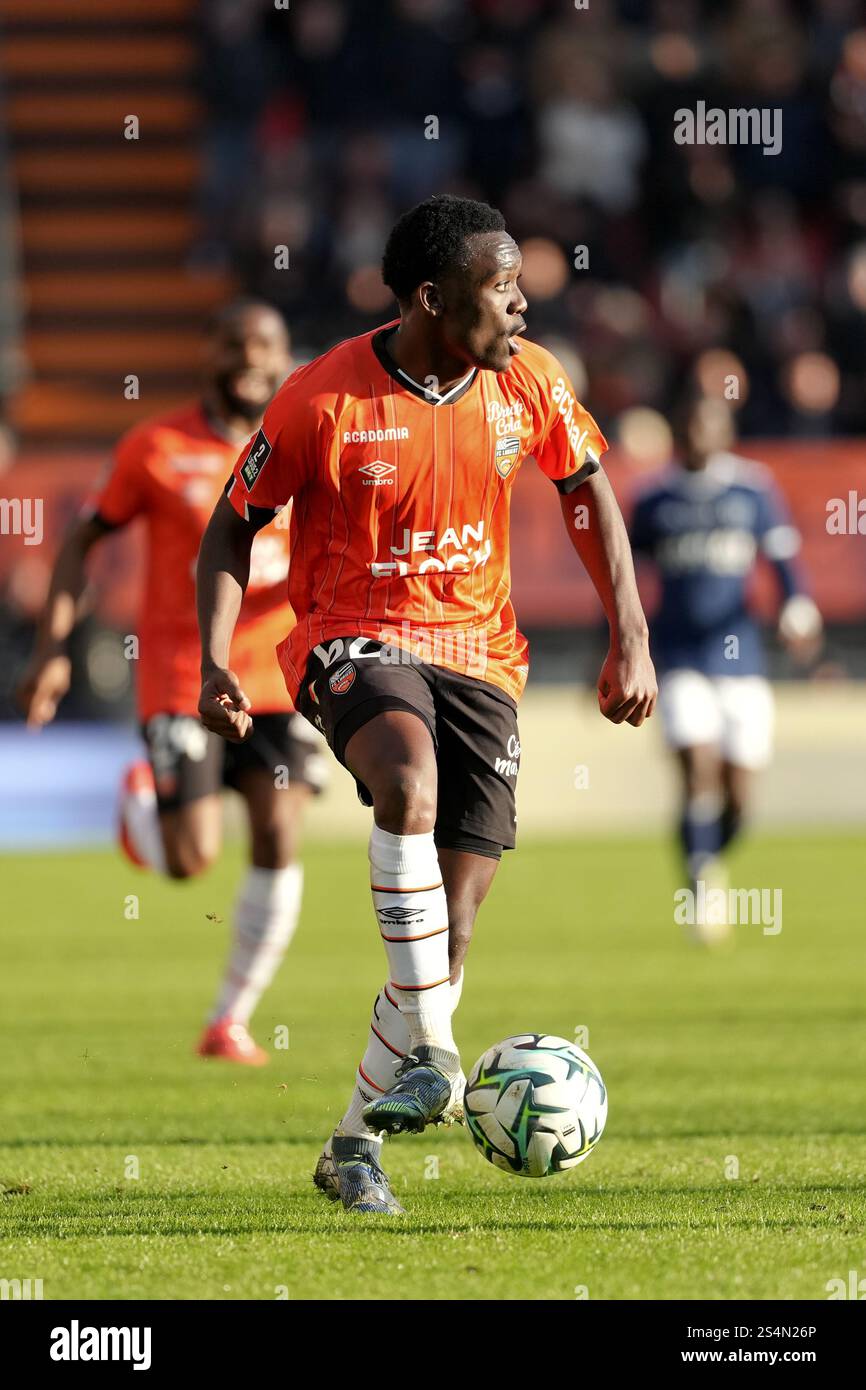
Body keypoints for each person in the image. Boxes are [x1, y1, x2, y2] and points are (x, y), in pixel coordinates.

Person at [196, 195, 656, 1214]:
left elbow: (585, 490)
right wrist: (213, 658)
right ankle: (439, 1052)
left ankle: (350, 1147)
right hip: (351, 634)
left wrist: (628, 630)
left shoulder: (526, 382)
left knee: (445, 938)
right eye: (501, 293)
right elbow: (231, 527)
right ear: (431, 298)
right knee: (405, 779)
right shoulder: (322, 400)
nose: (520, 311)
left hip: (482, 658)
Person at [18, 299, 327, 1064]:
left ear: (285, 357)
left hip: (283, 675)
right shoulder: (156, 446)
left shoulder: (309, 442)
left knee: (280, 831)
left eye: (267, 345)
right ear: (209, 355)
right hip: (185, 672)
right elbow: (81, 540)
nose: (251, 358)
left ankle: (230, 1019)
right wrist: (54, 646)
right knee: (192, 860)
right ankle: (143, 813)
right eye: (235, 344)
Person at [630, 395, 822, 944]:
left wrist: (796, 606)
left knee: (740, 798)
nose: (696, 437)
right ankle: (701, 881)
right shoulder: (655, 498)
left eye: (705, 426)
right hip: (680, 657)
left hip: (742, 660)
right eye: (688, 426)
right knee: (698, 767)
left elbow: (783, 561)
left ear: (725, 432)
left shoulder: (751, 490)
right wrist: (620, 647)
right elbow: (621, 580)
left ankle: (707, 857)